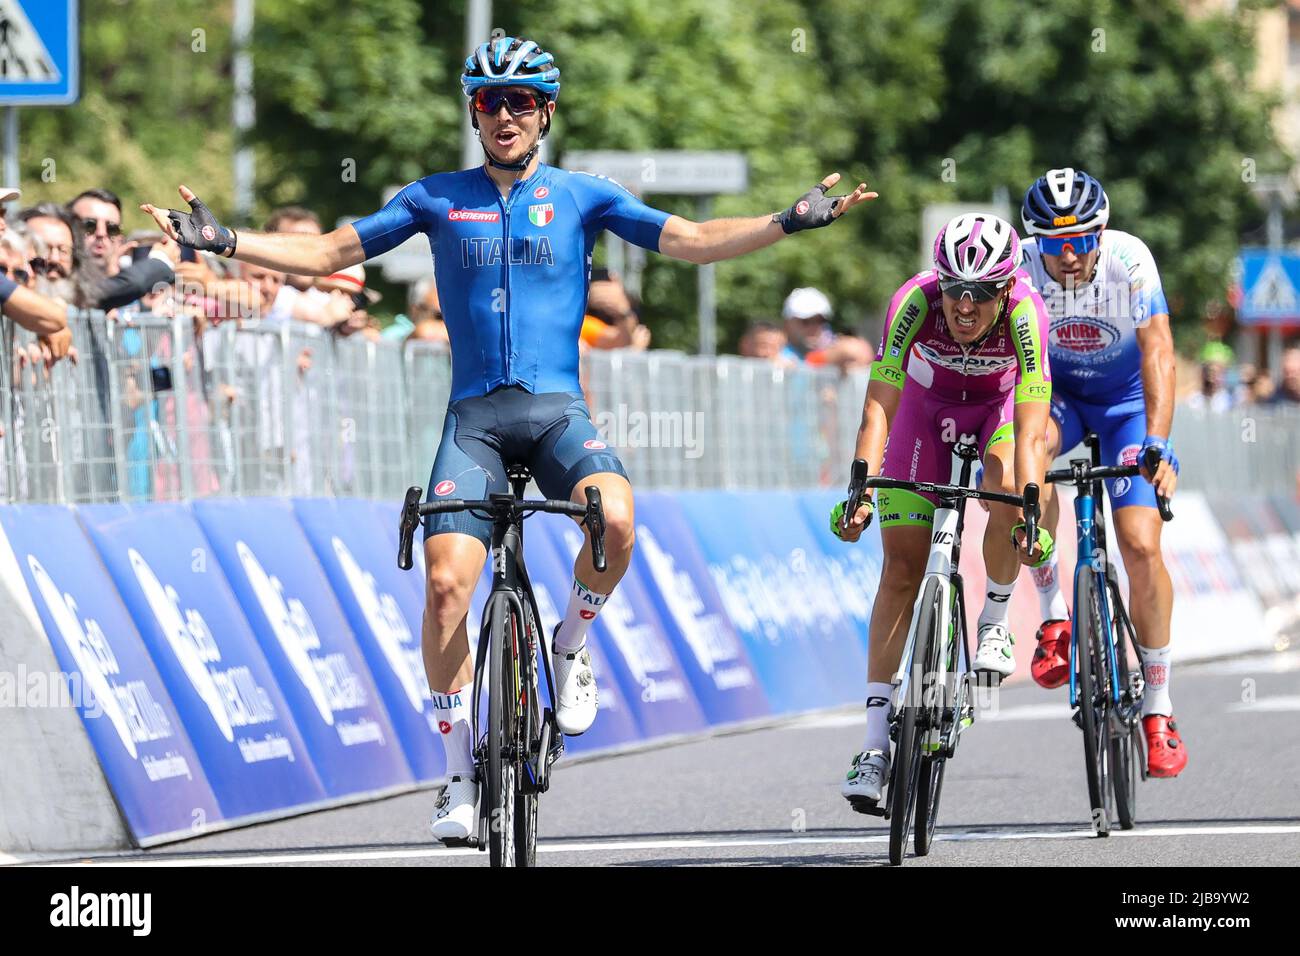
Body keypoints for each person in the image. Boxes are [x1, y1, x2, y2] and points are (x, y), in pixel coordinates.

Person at [141, 34, 875, 841]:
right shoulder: (432, 197)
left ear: (546, 112)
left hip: (557, 413)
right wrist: (225, 242)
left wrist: (785, 222)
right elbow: (325, 252)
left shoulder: (585, 194)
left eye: (521, 101)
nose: (505, 115)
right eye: (490, 102)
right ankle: (457, 779)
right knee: (448, 585)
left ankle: (570, 642)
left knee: (618, 520)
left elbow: (692, 241)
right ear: (473, 113)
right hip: (475, 422)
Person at [830, 212, 1052, 808]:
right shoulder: (913, 301)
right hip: (922, 412)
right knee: (901, 571)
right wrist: (860, 489)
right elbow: (878, 405)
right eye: (955, 289)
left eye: (982, 294)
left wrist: (1029, 507)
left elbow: (1033, 430)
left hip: (997, 413)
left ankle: (996, 621)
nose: (965, 305)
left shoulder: (1028, 313)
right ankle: (875, 746)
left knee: (1006, 480)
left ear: (1007, 288)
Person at [1017, 168, 1185, 778]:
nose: (1067, 255)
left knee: (1141, 543)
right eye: (1052, 243)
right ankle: (1054, 615)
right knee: (1022, 470)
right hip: (1056, 396)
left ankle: (1159, 708)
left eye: (1081, 240)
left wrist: (1159, 442)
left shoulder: (1129, 260)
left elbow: (1158, 351)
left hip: (1124, 407)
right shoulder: (1021, 265)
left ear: (1102, 230)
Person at [1181, 341, 1236, 413]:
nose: (1212, 376)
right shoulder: (1192, 401)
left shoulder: (1231, 403)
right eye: (1209, 370)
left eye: (1219, 371)